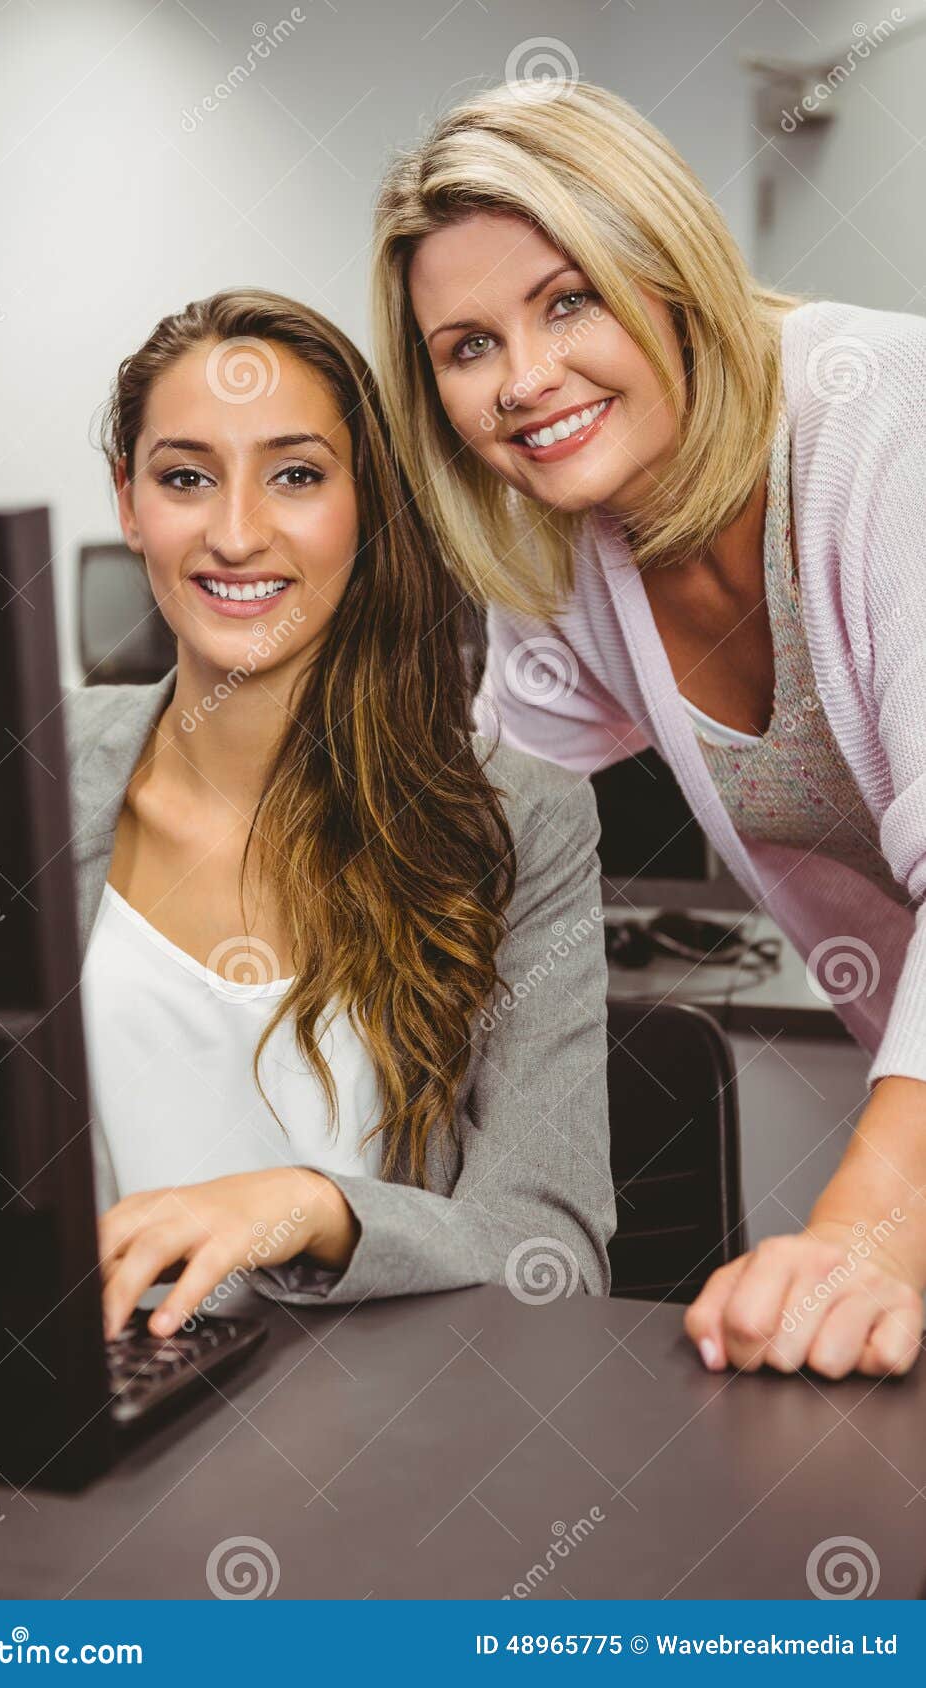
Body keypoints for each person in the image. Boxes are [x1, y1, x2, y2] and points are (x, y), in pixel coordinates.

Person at [369, 77, 926, 1380]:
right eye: (466, 346)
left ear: (666, 272)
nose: (523, 379)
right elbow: (467, 860)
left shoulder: (886, 423)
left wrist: (868, 1225)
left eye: (567, 300)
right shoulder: (574, 554)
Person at [65, 286, 615, 1340]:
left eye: (296, 476)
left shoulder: (518, 822)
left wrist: (308, 1205)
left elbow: (552, 1249)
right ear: (129, 503)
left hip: (377, 1448)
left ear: (366, 505)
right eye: (185, 477)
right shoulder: (14, 781)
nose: (235, 533)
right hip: (77, 1424)